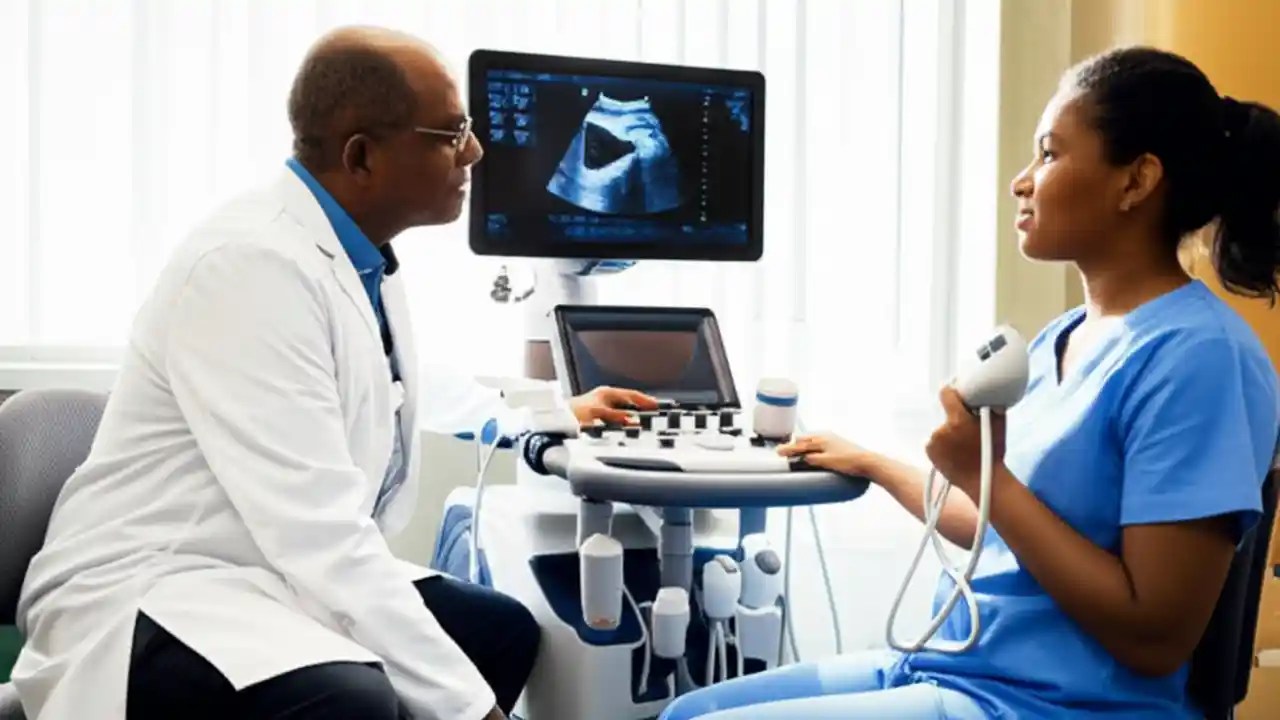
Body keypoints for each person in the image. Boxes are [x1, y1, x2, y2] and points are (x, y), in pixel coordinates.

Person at [12, 25, 657, 720]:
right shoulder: (248, 266)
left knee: (497, 633)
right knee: (350, 702)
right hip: (159, 591)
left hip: (264, 573)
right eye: (451, 132)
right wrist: (476, 713)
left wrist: (550, 417)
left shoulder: (353, 256)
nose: (475, 150)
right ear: (361, 156)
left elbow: (385, 386)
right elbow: (318, 535)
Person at [661, 46, 1280, 720]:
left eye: (1048, 154)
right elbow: (1002, 527)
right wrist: (874, 462)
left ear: (1135, 181)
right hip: (954, 666)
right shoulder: (1061, 339)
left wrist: (987, 480)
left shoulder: (1200, 359)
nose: (1022, 181)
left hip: (1052, 705)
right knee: (683, 714)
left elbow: (1155, 636)